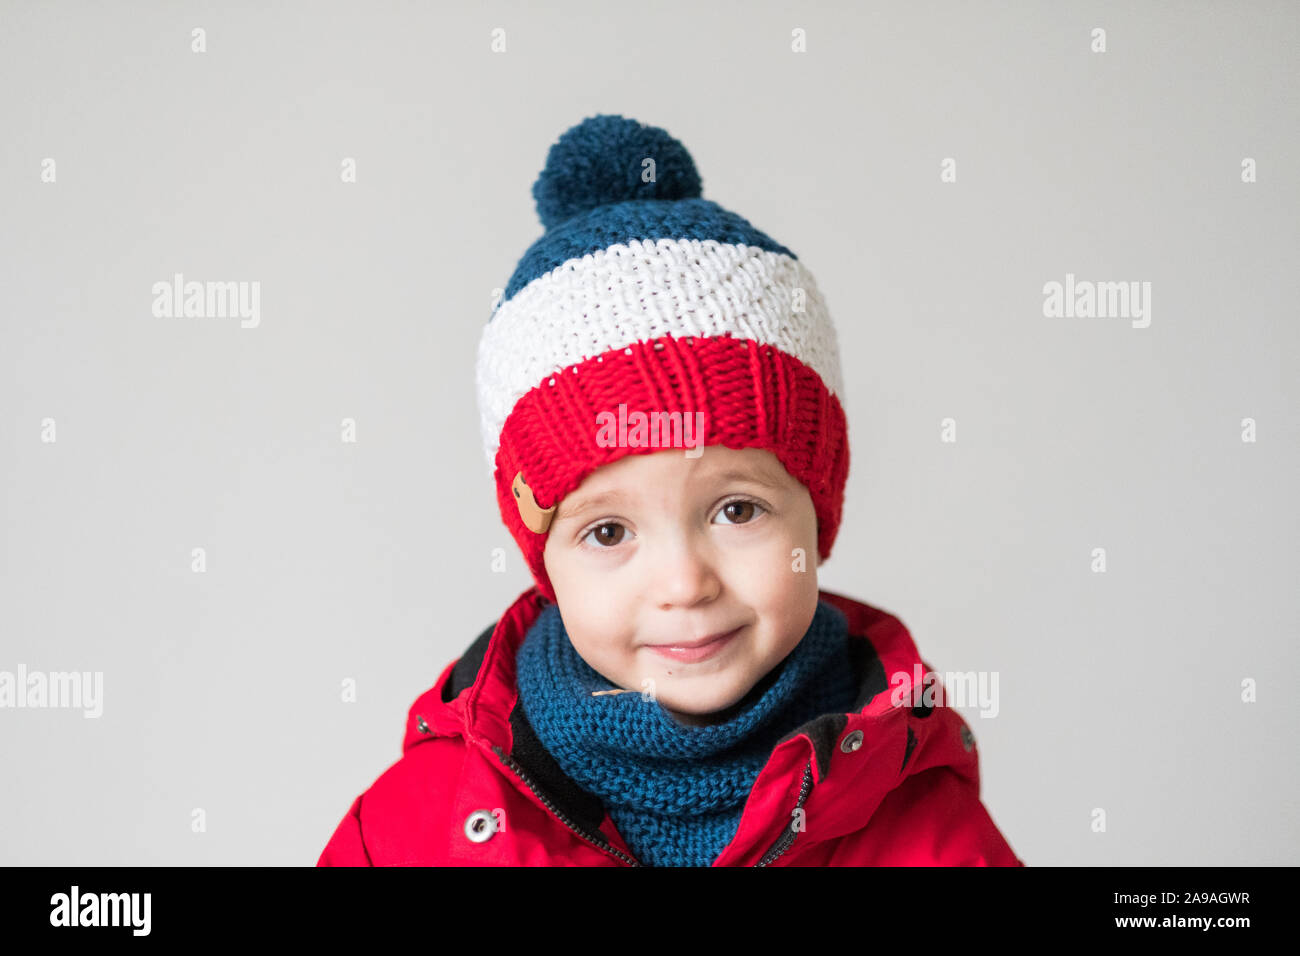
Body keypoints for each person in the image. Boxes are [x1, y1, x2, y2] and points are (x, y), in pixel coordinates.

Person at [317, 114, 1023, 866]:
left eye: (737, 510)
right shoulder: (421, 828)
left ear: (815, 516)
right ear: (543, 556)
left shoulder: (921, 824)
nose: (685, 584)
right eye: (609, 532)